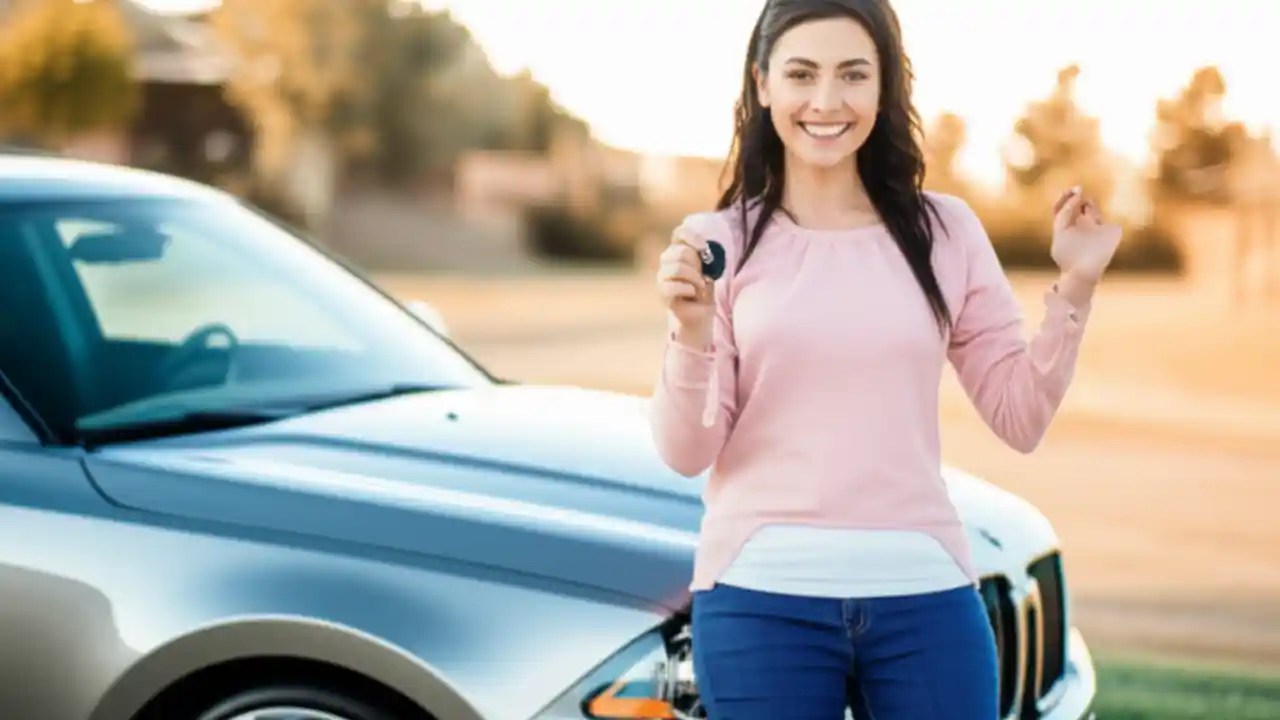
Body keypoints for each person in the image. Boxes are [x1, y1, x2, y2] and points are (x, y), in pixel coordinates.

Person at [647, 0, 1123, 718]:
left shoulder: (947, 233)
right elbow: (687, 451)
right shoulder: (718, 242)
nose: (827, 101)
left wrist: (1076, 285)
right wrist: (690, 332)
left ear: (885, 88)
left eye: (853, 75)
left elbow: (1020, 416)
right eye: (802, 73)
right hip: (759, 596)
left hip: (925, 593)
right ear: (763, 82)